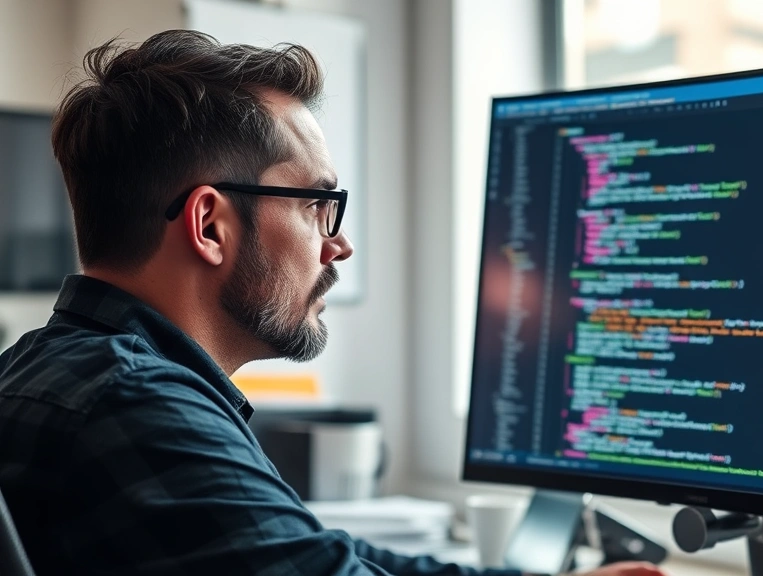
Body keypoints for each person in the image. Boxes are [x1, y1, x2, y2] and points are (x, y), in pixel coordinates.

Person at [0, 30, 669, 576]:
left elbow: (320, 556)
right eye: (318, 205)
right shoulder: (134, 403)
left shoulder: (48, 369)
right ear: (210, 226)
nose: (338, 245)